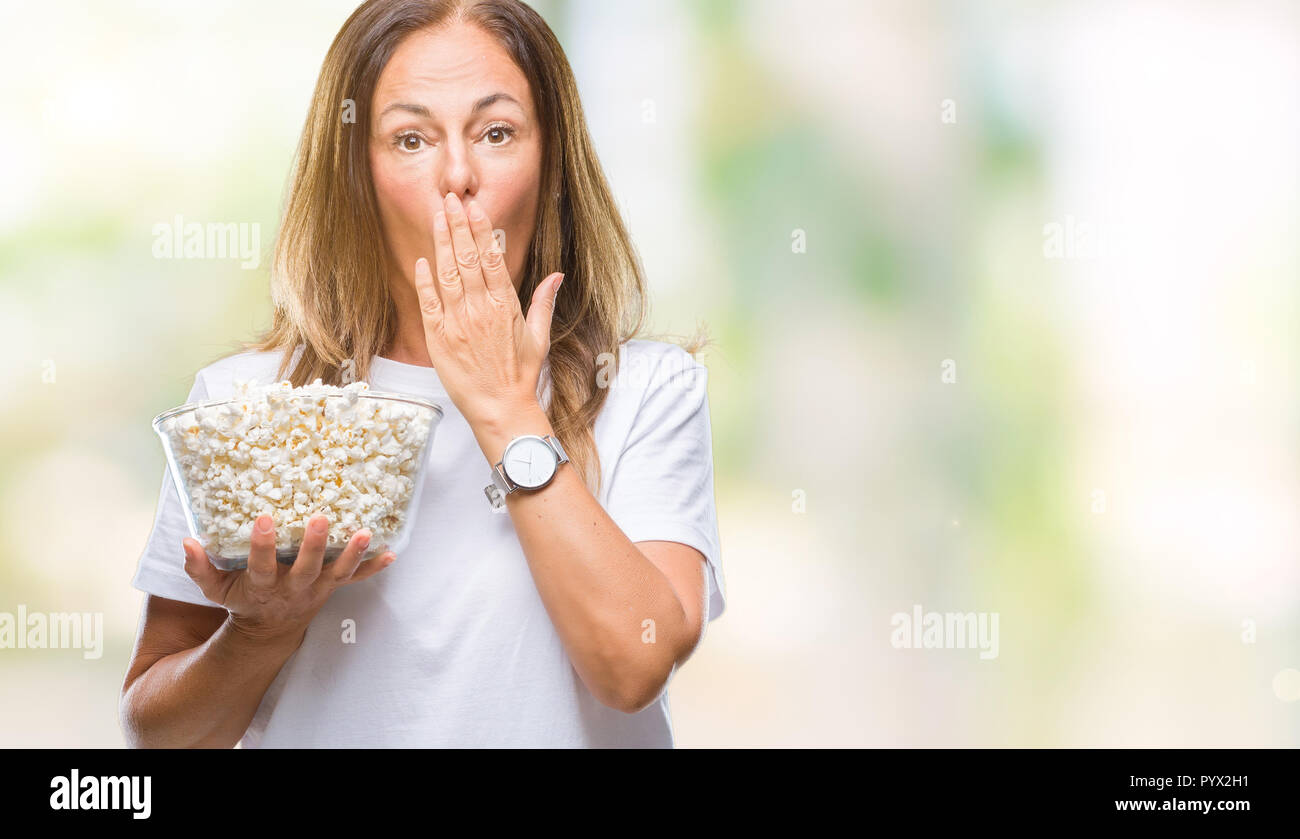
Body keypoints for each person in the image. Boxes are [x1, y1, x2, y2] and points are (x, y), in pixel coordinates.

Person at [119, 0, 725, 748]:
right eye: (411, 139)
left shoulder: (647, 390)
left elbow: (634, 666)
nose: (458, 176)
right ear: (356, 175)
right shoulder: (247, 404)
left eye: (496, 132)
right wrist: (259, 631)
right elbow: (158, 738)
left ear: (551, 163)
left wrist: (507, 410)